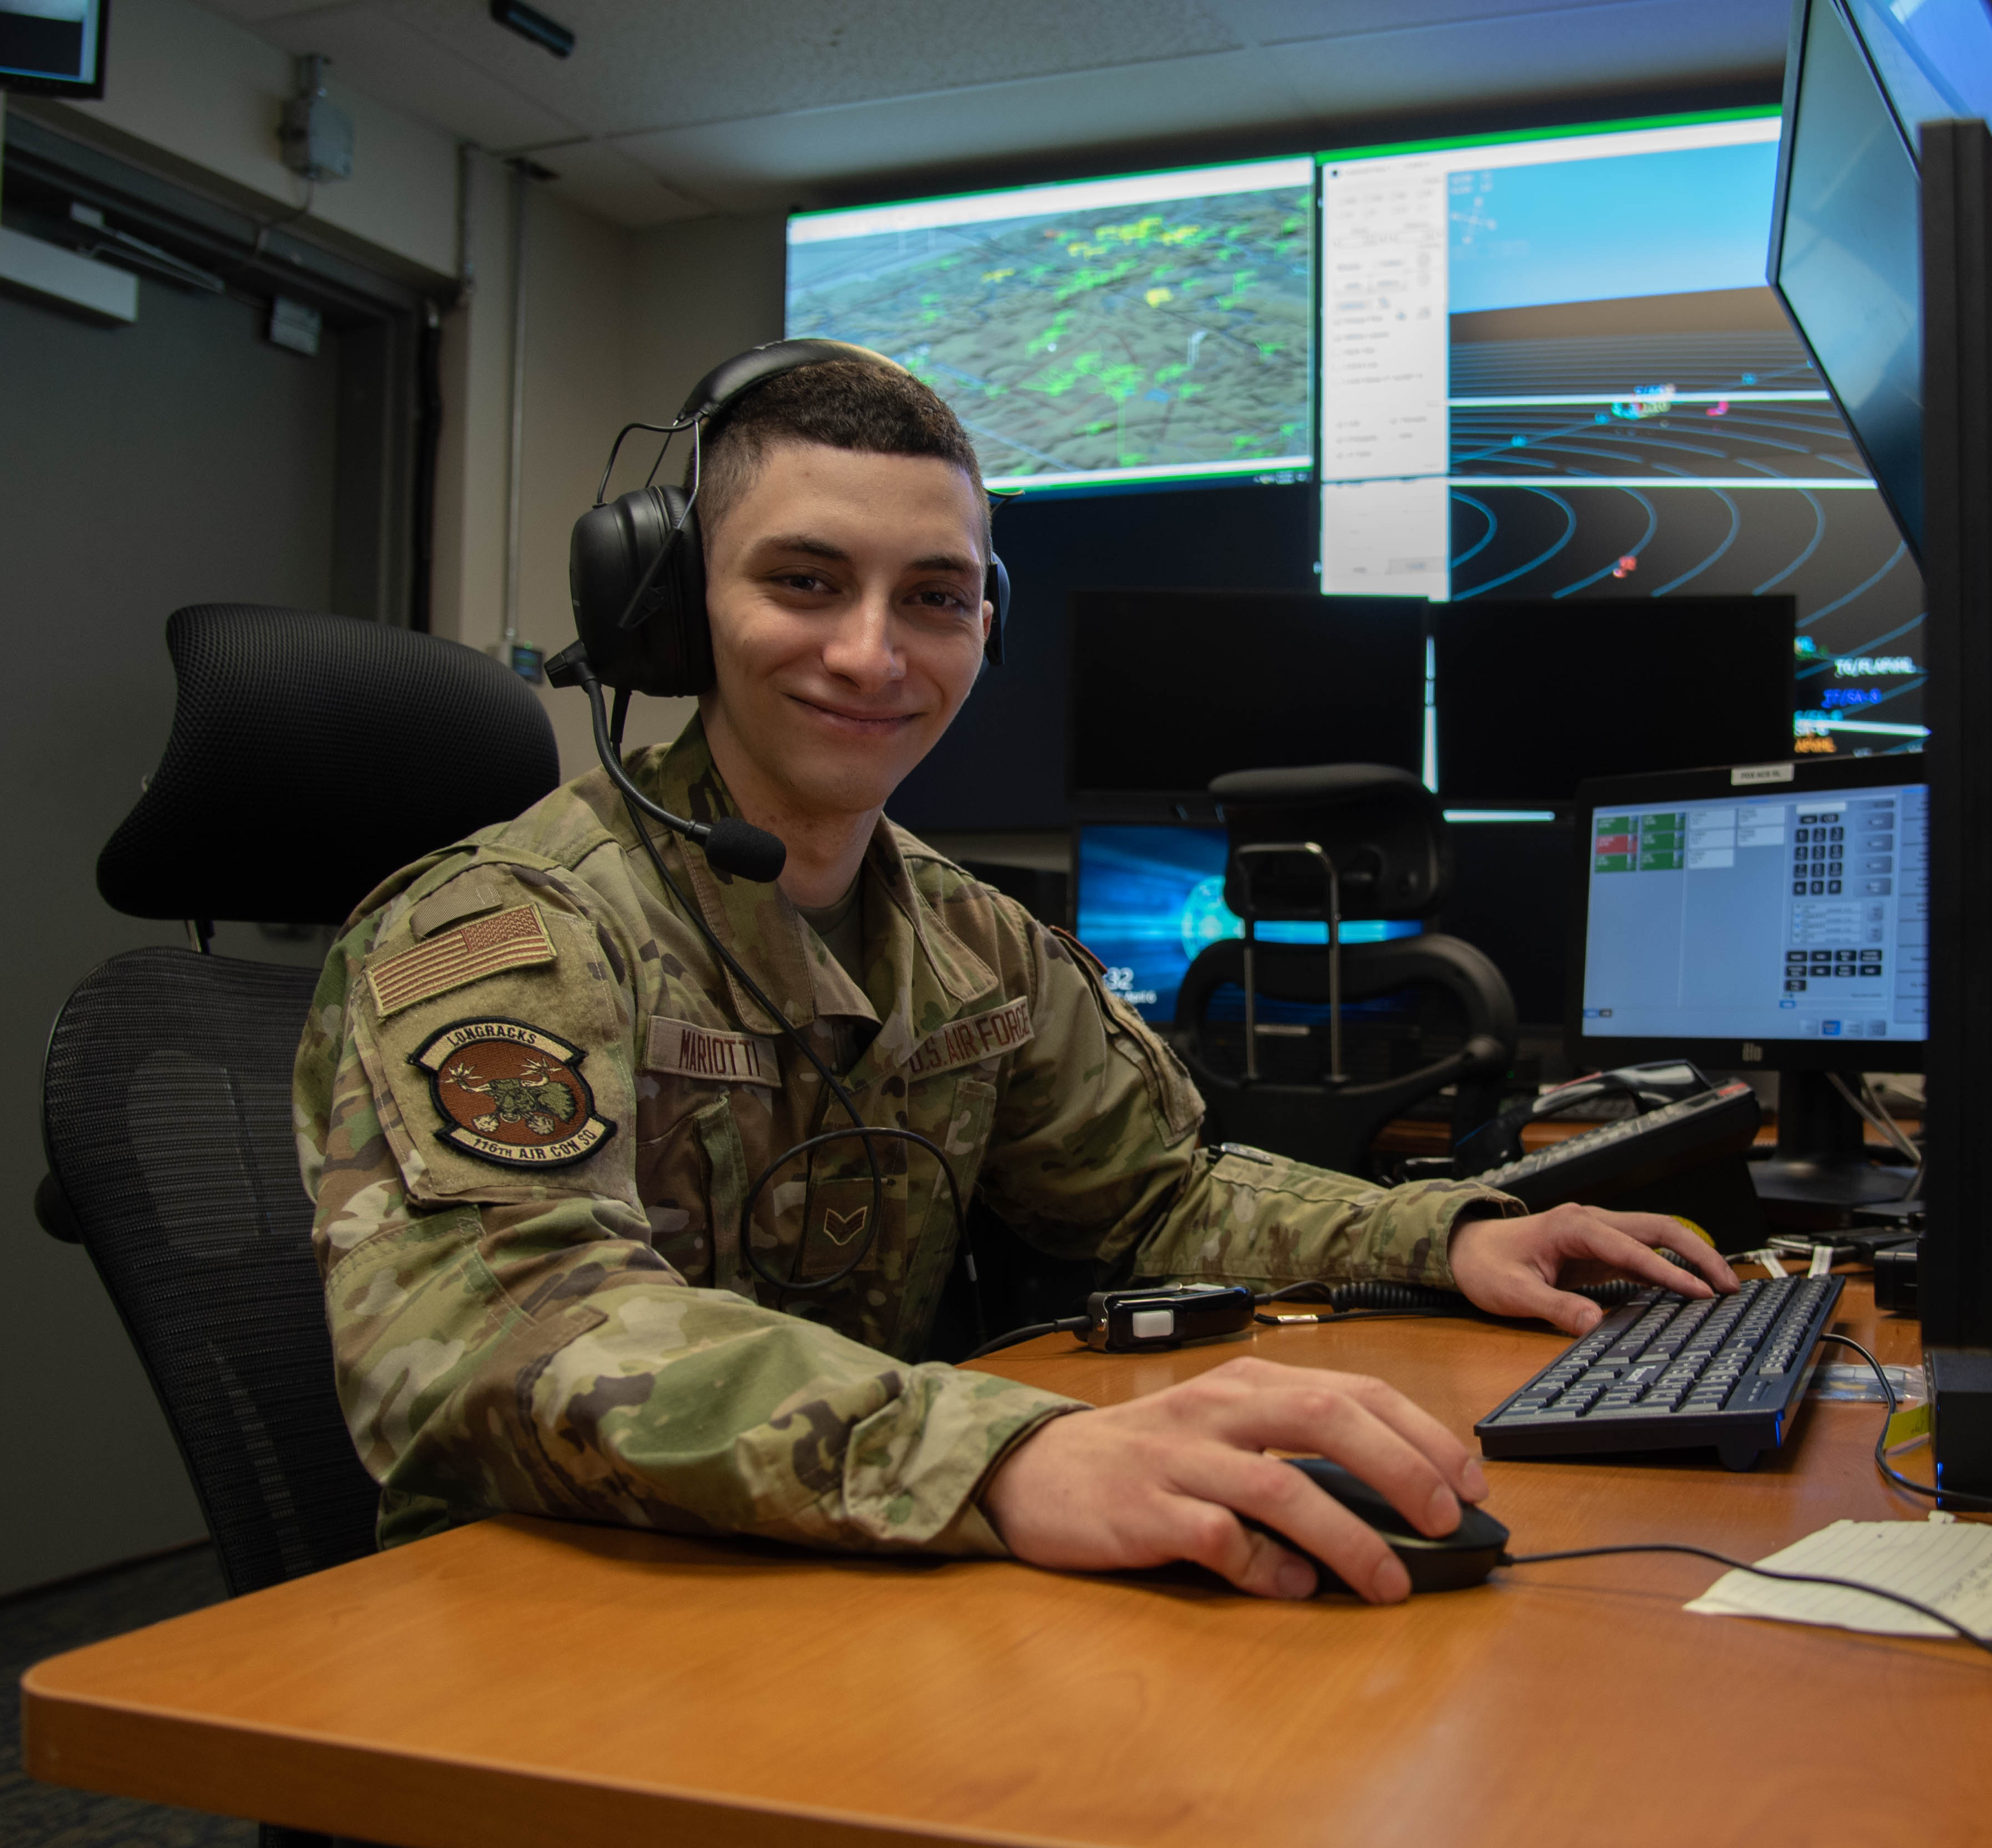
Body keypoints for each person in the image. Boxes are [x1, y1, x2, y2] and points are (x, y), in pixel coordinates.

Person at [295, 348, 1735, 1606]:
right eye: (803, 582)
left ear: (987, 625)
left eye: (932, 597)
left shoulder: (971, 938)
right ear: (673, 615)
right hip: (554, 1612)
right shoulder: (504, 929)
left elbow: (1157, 1197)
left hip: (842, 1575)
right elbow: (507, 1329)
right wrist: (1007, 1451)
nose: (872, 653)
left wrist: (1446, 1239)